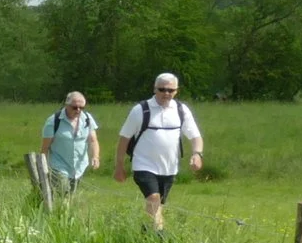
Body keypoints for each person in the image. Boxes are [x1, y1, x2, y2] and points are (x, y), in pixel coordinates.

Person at [114, 72, 203, 232]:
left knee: (157, 204)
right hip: (143, 165)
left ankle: (146, 234)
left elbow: (195, 136)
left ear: (176, 91)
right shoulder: (140, 110)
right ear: (154, 89)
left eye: (171, 90)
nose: (166, 94)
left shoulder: (181, 110)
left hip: (169, 168)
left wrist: (197, 154)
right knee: (153, 198)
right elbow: (124, 139)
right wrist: (119, 166)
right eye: (162, 89)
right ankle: (160, 236)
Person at [41, 91, 99, 203]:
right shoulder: (53, 121)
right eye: (74, 107)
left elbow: (93, 140)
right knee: (64, 193)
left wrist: (95, 157)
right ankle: (62, 215)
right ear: (66, 105)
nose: (78, 110)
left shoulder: (87, 119)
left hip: (79, 166)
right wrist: (43, 167)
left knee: (71, 195)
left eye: (81, 107)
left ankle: (63, 215)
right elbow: (44, 147)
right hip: (59, 165)